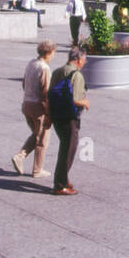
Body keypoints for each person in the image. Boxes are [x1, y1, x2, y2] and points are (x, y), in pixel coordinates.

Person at [47, 48, 89, 196]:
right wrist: (85, 103)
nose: (84, 63)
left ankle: (63, 179)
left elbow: (49, 95)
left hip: (57, 116)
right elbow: (76, 100)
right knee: (68, 151)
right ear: (79, 60)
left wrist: (49, 116)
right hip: (69, 117)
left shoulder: (57, 71)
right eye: (84, 60)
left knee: (64, 148)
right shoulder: (77, 75)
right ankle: (60, 185)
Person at [12, 40, 56, 177]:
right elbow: (45, 93)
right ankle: (37, 169)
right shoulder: (45, 69)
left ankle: (20, 157)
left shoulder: (31, 63)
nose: (53, 56)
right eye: (53, 53)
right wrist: (48, 112)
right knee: (42, 139)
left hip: (27, 104)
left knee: (36, 135)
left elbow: (24, 83)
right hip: (38, 108)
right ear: (48, 53)